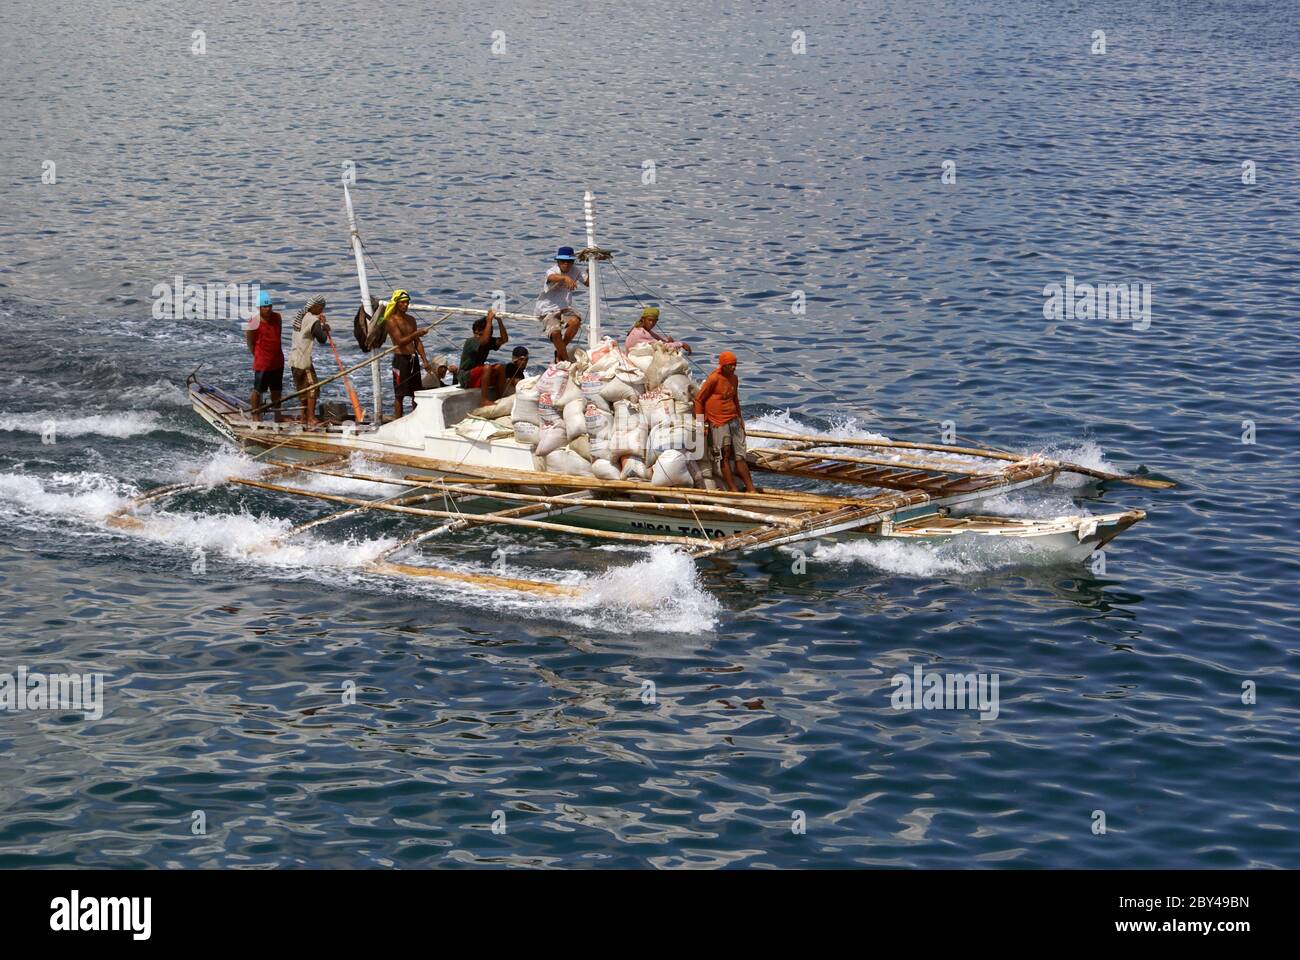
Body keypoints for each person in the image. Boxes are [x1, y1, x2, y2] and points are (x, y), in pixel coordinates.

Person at [694, 350, 755, 493]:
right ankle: (733, 488)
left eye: (735, 365)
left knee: (740, 456)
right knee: (724, 455)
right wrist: (700, 423)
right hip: (717, 422)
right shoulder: (714, 379)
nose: (733, 367)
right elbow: (699, 400)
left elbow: (735, 399)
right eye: (730, 365)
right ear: (723, 365)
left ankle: (751, 488)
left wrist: (740, 419)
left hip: (733, 419)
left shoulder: (734, 378)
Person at [384, 289, 433, 418]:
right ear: (396, 303)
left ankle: (415, 419)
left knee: (415, 393)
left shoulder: (412, 319)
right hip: (400, 360)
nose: (405, 305)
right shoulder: (391, 321)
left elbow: (417, 342)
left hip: (413, 359)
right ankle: (398, 421)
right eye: (403, 302)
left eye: (407, 302)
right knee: (400, 395)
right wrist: (416, 334)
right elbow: (400, 341)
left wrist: (425, 360)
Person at [534, 245, 588, 362]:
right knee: (556, 332)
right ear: (558, 261)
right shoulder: (553, 270)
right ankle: (565, 358)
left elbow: (588, 283)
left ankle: (559, 352)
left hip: (564, 308)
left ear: (573, 262)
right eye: (563, 261)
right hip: (548, 309)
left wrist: (591, 267)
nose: (566, 264)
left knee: (575, 322)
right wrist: (564, 278)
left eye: (569, 261)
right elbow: (551, 277)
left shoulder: (575, 270)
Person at [288, 295, 330, 427]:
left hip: (293, 360)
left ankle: (303, 417)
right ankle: (311, 418)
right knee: (312, 388)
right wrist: (325, 326)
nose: (322, 311)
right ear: (315, 306)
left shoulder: (300, 317)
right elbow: (322, 339)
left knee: (302, 389)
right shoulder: (313, 320)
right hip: (303, 361)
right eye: (321, 308)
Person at [244, 290, 285, 421]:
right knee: (258, 390)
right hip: (262, 363)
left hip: (278, 361)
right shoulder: (253, 322)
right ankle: (255, 414)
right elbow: (250, 342)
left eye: (269, 306)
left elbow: (278, 335)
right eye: (265, 306)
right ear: (259, 308)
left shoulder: (277, 317)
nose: (268, 309)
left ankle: (278, 415)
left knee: (277, 391)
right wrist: (257, 355)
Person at [457, 309, 509, 406]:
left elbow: (504, 340)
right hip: (466, 377)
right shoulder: (471, 341)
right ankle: (484, 400)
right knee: (487, 367)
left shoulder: (488, 340)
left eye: (480, 334)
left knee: (500, 367)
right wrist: (489, 320)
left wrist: (499, 321)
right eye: (476, 333)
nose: (477, 336)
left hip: (479, 375)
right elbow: (484, 340)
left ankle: (502, 397)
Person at [624, 306, 692, 353]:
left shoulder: (643, 329)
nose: (651, 323)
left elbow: (658, 339)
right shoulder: (640, 332)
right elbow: (662, 346)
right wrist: (681, 344)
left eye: (654, 321)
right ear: (643, 319)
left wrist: (668, 342)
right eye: (649, 320)